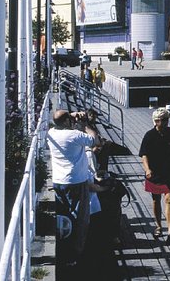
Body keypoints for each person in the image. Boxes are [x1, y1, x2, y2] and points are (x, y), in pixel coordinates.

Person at [47, 110, 99, 266]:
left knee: (63, 217)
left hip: (58, 180)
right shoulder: (74, 135)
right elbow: (94, 140)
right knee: (80, 218)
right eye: (69, 118)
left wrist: (71, 115)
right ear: (65, 122)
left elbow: (58, 119)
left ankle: (63, 251)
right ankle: (75, 254)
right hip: (76, 182)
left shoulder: (51, 133)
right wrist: (85, 124)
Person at [139, 108, 170, 245]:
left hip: (169, 171)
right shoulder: (149, 136)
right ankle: (159, 226)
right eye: (161, 120)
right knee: (155, 200)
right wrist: (147, 169)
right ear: (155, 121)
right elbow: (144, 154)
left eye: (166, 119)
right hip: (154, 172)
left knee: (169, 199)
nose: (164, 122)